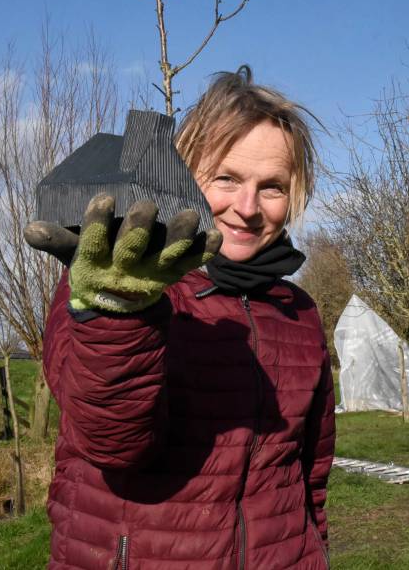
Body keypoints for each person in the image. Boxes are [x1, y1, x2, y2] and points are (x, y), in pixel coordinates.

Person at [29, 67, 334, 569]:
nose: (247, 207)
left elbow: (310, 475)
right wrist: (122, 315)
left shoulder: (298, 314)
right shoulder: (110, 283)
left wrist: (314, 554)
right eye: (227, 178)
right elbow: (113, 443)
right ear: (185, 173)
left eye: (273, 187)